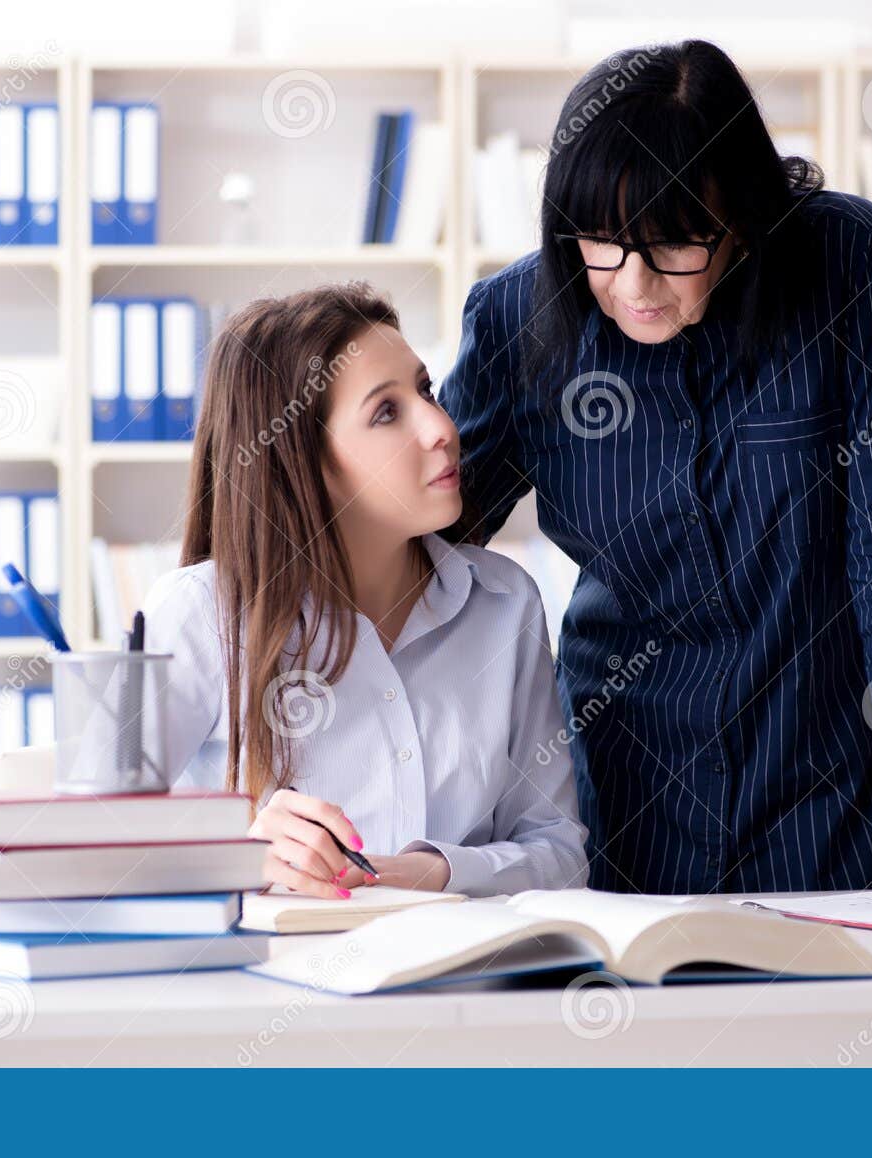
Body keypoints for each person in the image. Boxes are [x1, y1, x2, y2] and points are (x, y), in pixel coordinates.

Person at [439, 39, 872, 899]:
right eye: (602, 241)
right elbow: (418, 545)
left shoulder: (848, 263)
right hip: (627, 806)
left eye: (675, 245)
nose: (634, 285)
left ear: (743, 214)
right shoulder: (515, 318)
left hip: (836, 804)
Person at [141, 283, 588, 899]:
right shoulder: (200, 614)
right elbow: (90, 847)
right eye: (386, 412)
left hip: (468, 961)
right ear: (301, 459)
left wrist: (429, 872)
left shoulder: (505, 602)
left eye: (426, 391)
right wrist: (236, 854)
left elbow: (559, 854)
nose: (441, 427)